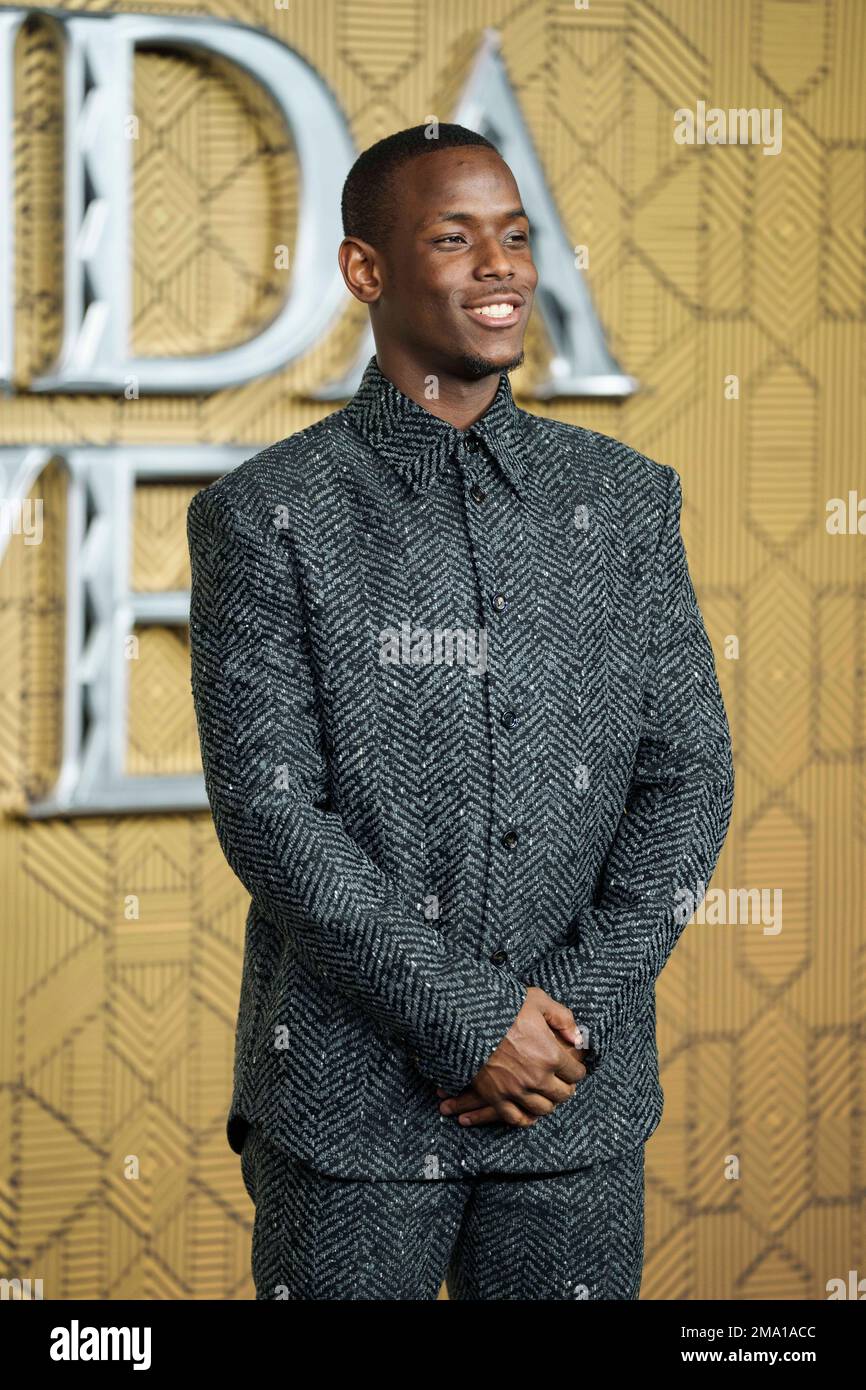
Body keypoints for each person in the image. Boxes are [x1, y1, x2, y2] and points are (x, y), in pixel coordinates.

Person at [186, 122, 735, 1300]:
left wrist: (565, 1022)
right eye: (453, 236)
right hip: (346, 1119)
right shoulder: (264, 514)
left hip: (571, 1112)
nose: (500, 266)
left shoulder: (625, 502)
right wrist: (467, 1015)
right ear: (364, 271)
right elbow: (271, 817)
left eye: (516, 236)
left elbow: (687, 775)